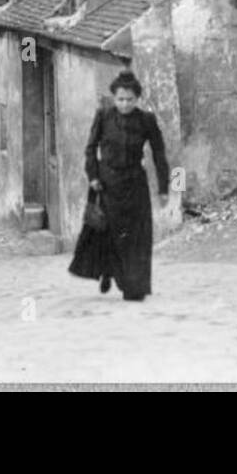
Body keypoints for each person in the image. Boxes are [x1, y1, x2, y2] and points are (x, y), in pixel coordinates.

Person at [84, 70, 169, 301]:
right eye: (120, 99)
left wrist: (164, 188)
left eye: (130, 100)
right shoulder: (103, 116)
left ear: (137, 99)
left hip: (135, 184)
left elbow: (159, 154)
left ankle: (134, 286)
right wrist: (92, 176)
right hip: (107, 184)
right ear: (114, 97)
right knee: (110, 233)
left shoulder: (146, 120)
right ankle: (108, 271)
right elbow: (90, 148)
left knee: (137, 236)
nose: (125, 104)